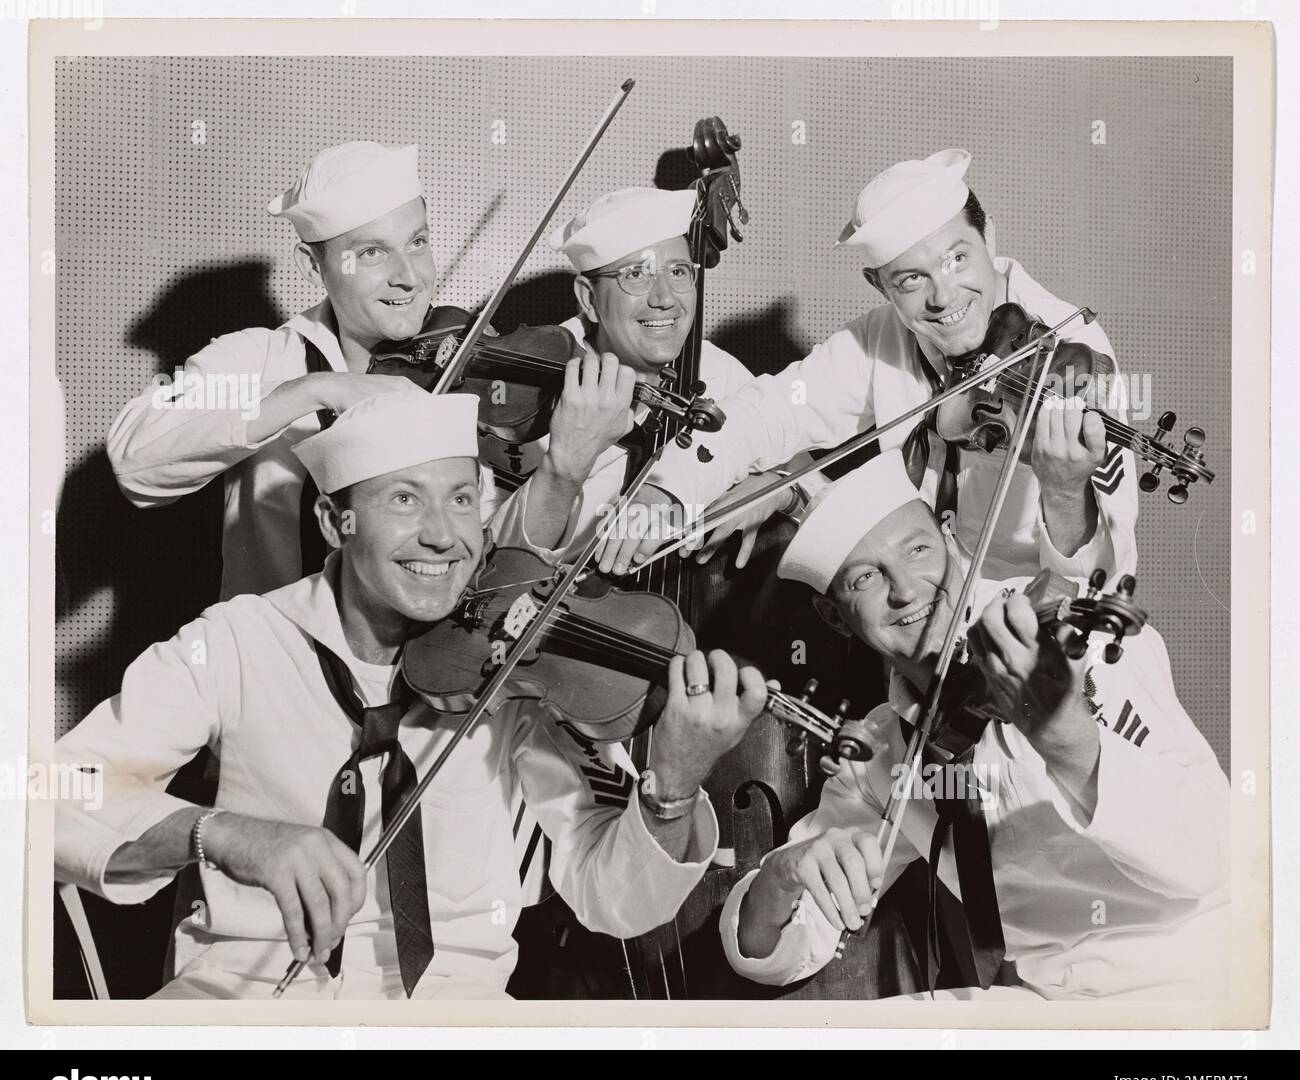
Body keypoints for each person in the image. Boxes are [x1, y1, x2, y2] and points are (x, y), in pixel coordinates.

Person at [56, 390, 767, 999]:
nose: (442, 536)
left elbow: (612, 894)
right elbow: (46, 796)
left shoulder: (509, 668)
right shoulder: (238, 640)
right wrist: (224, 834)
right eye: (404, 499)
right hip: (251, 1000)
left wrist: (672, 785)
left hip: (458, 1013)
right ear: (337, 523)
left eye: (461, 499)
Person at [720, 451, 1227, 1000]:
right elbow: (775, 950)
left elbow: (1210, 856)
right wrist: (783, 875)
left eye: (917, 550)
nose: (906, 590)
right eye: (865, 578)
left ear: (950, 542)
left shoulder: (1077, 650)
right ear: (834, 617)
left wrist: (1071, 741)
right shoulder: (881, 756)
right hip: (1049, 1007)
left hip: (1194, 976)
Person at [105, 140, 633, 601]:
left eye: (418, 242)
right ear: (314, 266)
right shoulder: (261, 359)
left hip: (433, 687)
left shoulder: (481, 372)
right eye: (374, 252)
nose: (409, 277)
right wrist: (315, 390)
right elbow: (136, 465)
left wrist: (565, 469)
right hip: (278, 677)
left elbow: (502, 577)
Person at [604, 149, 1140, 584]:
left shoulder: (1069, 360)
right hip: (914, 644)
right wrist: (667, 492)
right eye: (911, 280)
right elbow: (769, 414)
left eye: (958, 258)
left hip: (1042, 648)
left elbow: (1101, 575)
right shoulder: (880, 339)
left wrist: (1067, 493)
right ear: (880, 286)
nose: (944, 296)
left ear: (990, 238)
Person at [489, 186, 822, 565]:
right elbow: (483, 567)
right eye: (636, 275)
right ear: (589, 299)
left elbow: (816, 482)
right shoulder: (518, 394)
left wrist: (777, 487)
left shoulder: (715, 371)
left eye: (679, 271)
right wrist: (563, 471)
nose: (664, 298)